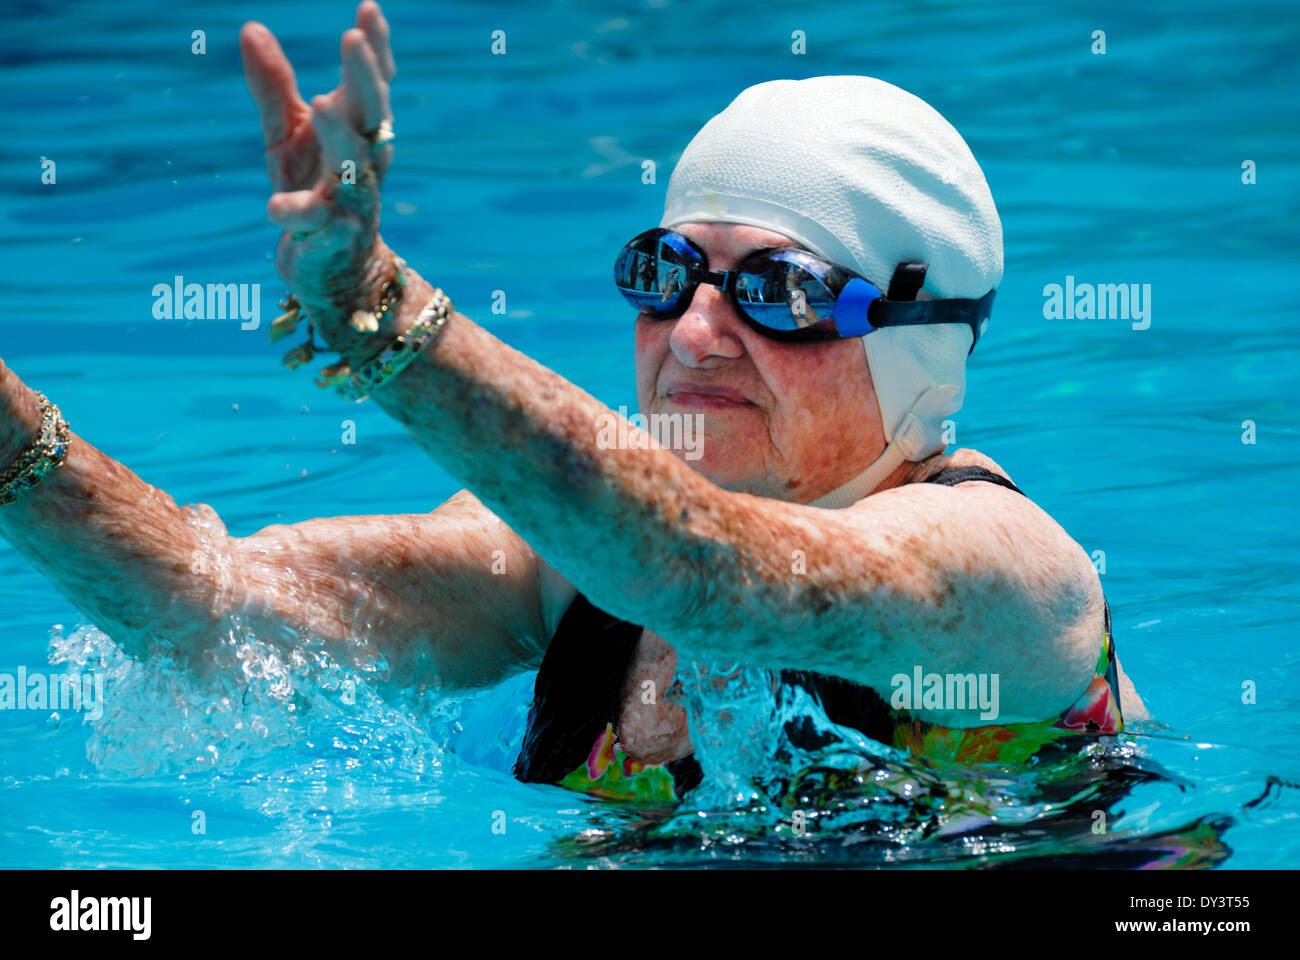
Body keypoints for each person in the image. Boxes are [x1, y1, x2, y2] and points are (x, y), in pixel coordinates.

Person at [0, 1, 1145, 807]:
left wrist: (378, 309)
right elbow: (218, 616)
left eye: (779, 291)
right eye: (666, 271)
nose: (696, 333)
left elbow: (712, 573)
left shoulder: (1005, 574)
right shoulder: (564, 560)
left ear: (917, 340)